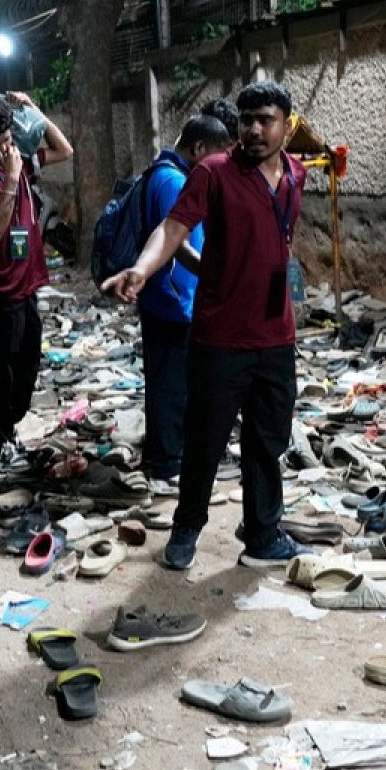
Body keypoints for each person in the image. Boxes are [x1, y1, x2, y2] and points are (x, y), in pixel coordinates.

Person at [103, 81, 313, 571]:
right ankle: (186, 530)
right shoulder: (214, 173)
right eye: (248, 120)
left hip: (276, 336)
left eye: (266, 119)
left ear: (287, 123)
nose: (256, 129)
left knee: (268, 442)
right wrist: (143, 267)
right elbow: (172, 228)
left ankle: (263, 534)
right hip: (219, 337)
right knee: (204, 441)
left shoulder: (296, 176)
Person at [0, 91, 74, 471]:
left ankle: (10, 429)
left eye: (8, 138)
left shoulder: (19, 157)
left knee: (26, 369)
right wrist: (10, 178)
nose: (6, 147)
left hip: (28, 283)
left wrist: (34, 111)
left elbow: (64, 149)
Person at [137, 114, 235, 494]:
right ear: (198, 150)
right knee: (169, 384)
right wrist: (217, 274)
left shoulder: (163, 172)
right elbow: (175, 240)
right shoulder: (174, 180)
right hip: (171, 298)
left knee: (173, 380)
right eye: (216, 156)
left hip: (170, 296)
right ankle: (165, 465)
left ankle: (167, 456)